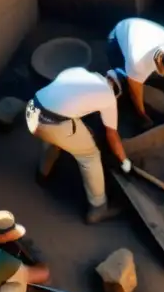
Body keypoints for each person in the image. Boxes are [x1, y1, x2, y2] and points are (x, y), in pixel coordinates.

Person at [25, 67, 130, 225]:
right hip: (53, 124)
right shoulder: (108, 97)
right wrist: (124, 161)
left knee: (53, 140)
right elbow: (112, 134)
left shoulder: (78, 72)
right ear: (118, 91)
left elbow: (65, 100)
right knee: (90, 156)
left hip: (33, 110)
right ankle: (98, 208)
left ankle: (42, 174)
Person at [107, 18, 164, 129]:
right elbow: (135, 91)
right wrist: (143, 115)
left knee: (149, 77)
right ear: (160, 64)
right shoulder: (138, 60)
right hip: (116, 42)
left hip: (138, 29)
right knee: (126, 81)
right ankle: (116, 77)